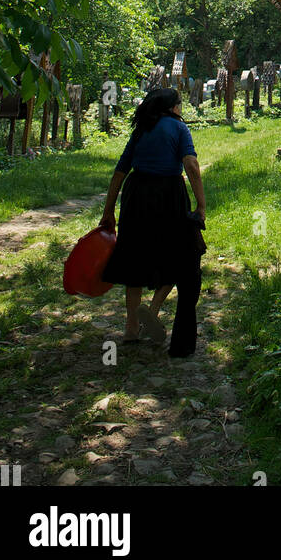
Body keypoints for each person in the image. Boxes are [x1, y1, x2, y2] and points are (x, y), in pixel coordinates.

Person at [99, 87, 206, 358]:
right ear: (172, 107)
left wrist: (108, 211)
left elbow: (120, 172)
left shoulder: (141, 130)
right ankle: (154, 309)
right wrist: (201, 204)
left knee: (134, 257)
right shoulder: (178, 128)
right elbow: (191, 165)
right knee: (177, 258)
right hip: (169, 195)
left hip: (136, 197)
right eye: (180, 104)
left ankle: (131, 327)